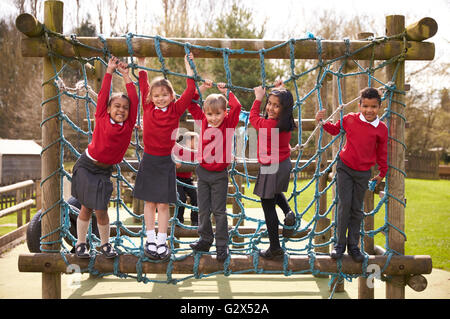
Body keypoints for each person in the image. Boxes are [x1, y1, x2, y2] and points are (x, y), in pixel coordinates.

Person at [72, 56, 138, 259]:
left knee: (101, 210)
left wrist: (126, 76)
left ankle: (105, 245)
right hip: (86, 165)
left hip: (103, 170)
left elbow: (134, 99)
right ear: (108, 108)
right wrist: (108, 71)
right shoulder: (101, 115)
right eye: (117, 106)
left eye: (125, 108)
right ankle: (81, 244)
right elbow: (103, 94)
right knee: (86, 207)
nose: (121, 110)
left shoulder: (128, 125)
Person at [134, 53, 196, 261]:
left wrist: (189, 66)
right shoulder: (148, 106)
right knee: (149, 203)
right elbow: (142, 84)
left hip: (166, 162)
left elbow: (190, 91)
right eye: (156, 94)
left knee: (163, 204)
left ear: (171, 96)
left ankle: (162, 240)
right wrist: (142, 64)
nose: (160, 98)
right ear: (151, 97)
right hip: (149, 160)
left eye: (164, 94)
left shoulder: (176, 109)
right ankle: (149, 238)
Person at [315, 87, 388, 262]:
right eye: (365, 106)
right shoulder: (349, 119)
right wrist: (321, 121)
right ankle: (339, 245)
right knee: (344, 205)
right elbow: (333, 129)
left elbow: (382, 153)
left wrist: (382, 173)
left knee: (357, 209)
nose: (369, 110)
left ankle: (354, 247)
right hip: (345, 168)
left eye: (373, 106)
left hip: (363, 172)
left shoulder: (381, 129)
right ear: (359, 105)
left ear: (379, 107)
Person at [187, 80, 242, 262]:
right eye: (210, 114)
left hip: (219, 175)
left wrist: (227, 92)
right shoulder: (202, 121)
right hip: (202, 172)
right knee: (203, 209)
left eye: (218, 114)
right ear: (205, 113)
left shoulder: (228, 123)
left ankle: (221, 244)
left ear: (224, 113)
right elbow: (190, 103)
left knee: (219, 211)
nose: (214, 118)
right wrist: (201, 89)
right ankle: (205, 239)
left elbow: (237, 106)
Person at [250, 81, 296, 260]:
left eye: (276, 106)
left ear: (284, 109)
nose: (270, 108)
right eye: (269, 103)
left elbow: (253, 118)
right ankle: (288, 212)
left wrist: (258, 99)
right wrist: (280, 90)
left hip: (271, 167)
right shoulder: (286, 123)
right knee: (275, 194)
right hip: (284, 165)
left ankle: (275, 247)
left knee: (267, 205)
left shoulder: (269, 125)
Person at [174, 132, 199, 226]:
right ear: (187, 141)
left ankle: (195, 220)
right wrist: (175, 159)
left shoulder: (195, 152)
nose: (197, 144)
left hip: (188, 179)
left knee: (196, 198)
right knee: (181, 198)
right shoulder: (180, 149)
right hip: (176, 179)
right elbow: (170, 151)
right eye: (195, 141)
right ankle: (179, 220)